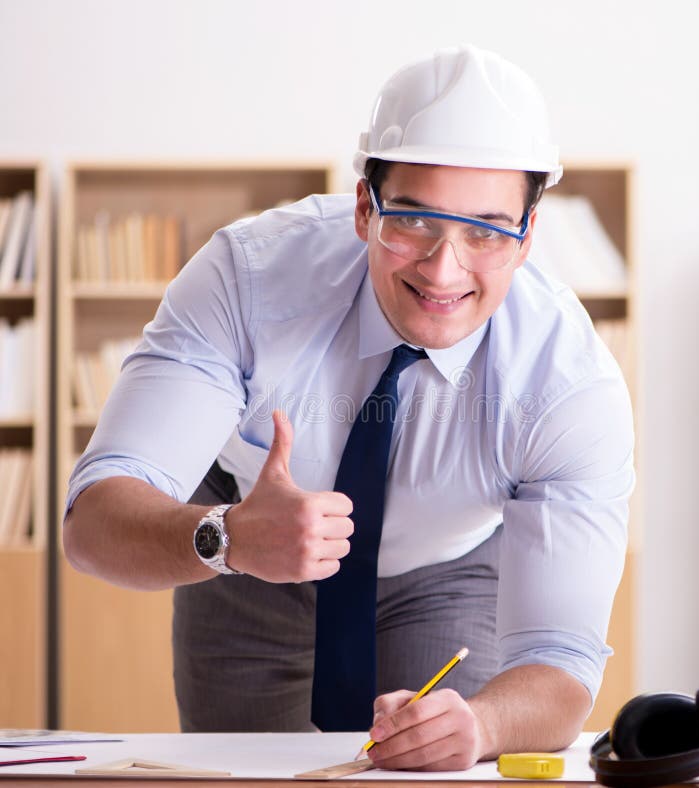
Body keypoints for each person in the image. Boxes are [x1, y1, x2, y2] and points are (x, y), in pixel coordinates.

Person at [63, 45, 634, 771]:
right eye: (415, 221)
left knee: (433, 764)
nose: (444, 269)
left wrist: (485, 726)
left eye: (487, 231)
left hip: (448, 570)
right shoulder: (248, 279)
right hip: (246, 545)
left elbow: (561, 660)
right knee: (239, 778)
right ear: (365, 207)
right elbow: (93, 524)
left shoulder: (566, 383)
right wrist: (227, 537)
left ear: (526, 237)